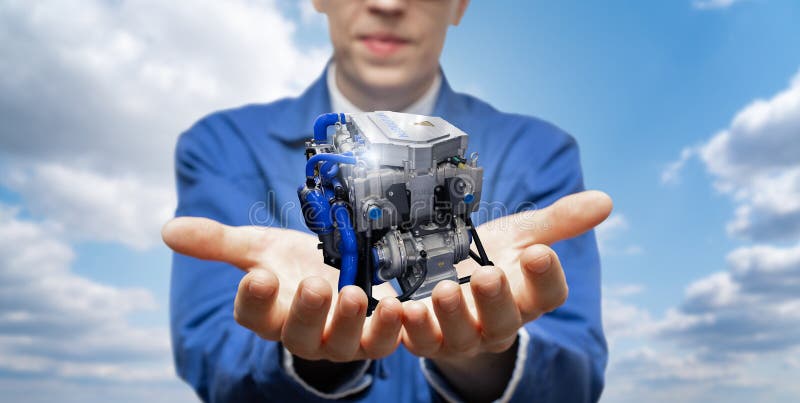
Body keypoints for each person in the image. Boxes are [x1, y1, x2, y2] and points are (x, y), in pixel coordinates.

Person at [162, 0, 613, 402]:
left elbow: (575, 374)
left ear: (460, 5)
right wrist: (312, 357)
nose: (388, 3)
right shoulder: (223, 144)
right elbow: (211, 354)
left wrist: (486, 356)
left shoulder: (540, 149)